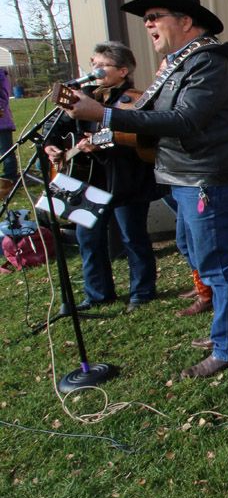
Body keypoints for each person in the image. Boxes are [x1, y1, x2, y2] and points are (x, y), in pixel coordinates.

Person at [63, 0, 228, 378]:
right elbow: (151, 121)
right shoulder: (179, 64)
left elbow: (185, 121)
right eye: (145, 18)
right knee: (199, 255)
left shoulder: (209, 63)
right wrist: (101, 134)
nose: (148, 23)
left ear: (185, 22)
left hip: (206, 179)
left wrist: (106, 115)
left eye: (156, 16)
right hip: (184, 176)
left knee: (218, 266)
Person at [44, 42, 158, 313]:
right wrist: (51, 145)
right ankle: (97, 294)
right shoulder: (81, 96)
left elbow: (147, 138)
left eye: (101, 65)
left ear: (122, 71)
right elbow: (55, 127)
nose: (94, 69)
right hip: (84, 178)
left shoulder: (135, 100)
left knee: (133, 237)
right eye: (92, 63)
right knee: (87, 238)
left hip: (125, 179)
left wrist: (109, 142)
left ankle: (141, 292)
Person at [0, 68, 15, 200]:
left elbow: (4, 98)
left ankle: (10, 179)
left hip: (2, 122)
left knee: (6, 153)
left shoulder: (1, 75)